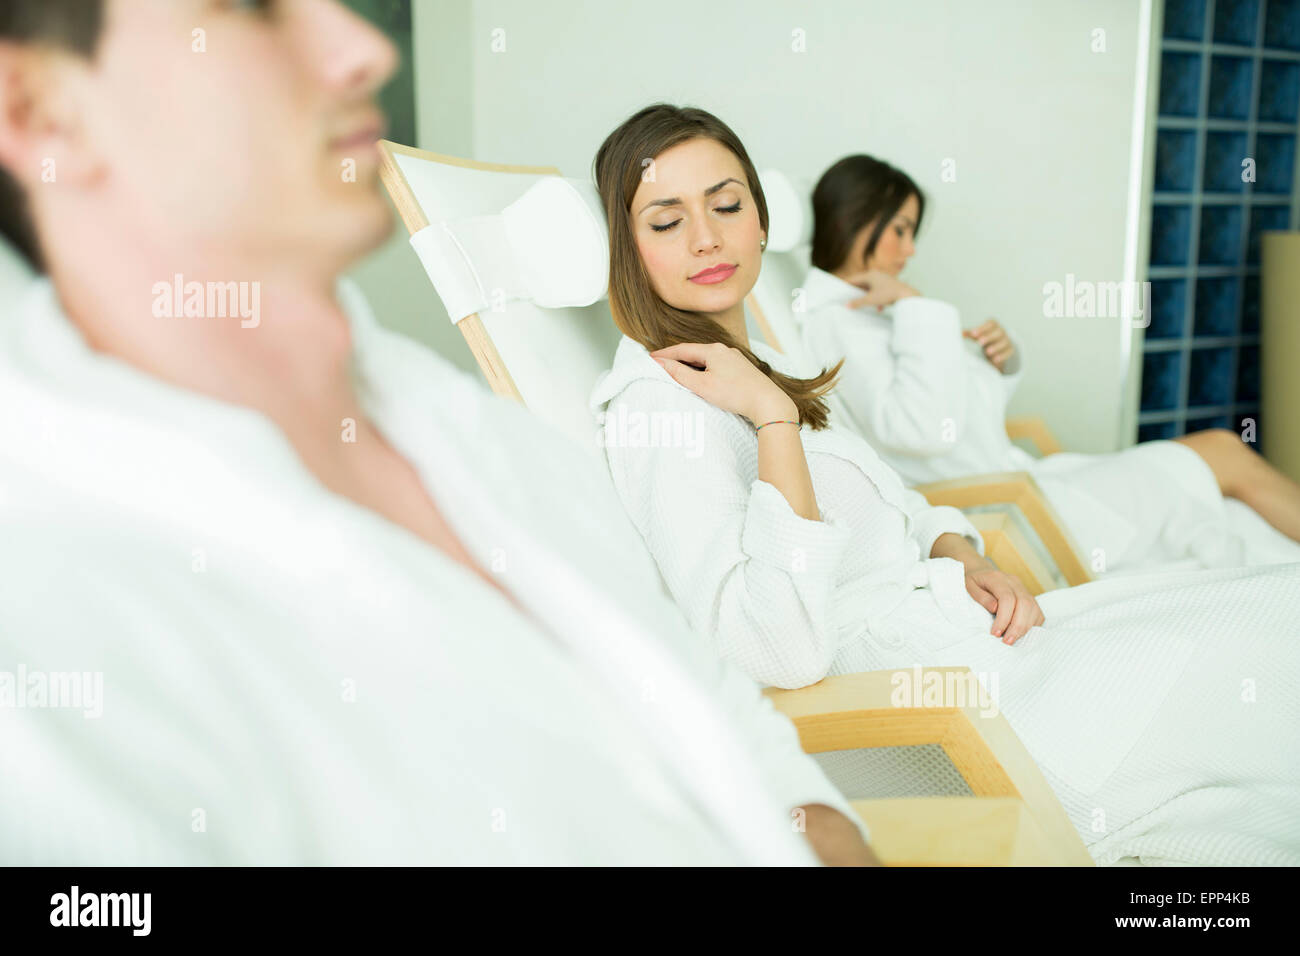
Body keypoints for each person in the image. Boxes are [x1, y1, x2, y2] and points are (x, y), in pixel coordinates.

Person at [0, 0, 876, 866]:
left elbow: (721, 714)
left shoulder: (489, 439)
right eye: (252, 8)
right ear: (40, 114)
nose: (365, 50)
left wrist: (819, 824)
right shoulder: (55, 654)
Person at [589, 103, 1300, 865]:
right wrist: (773, 425)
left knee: (1263, 611)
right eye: (666, 221)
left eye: (727, 206)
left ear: (759, 221)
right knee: (1267, 638)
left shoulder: (768, 361)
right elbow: (776, 648)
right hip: (953, 725)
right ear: (629, 248)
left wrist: (965, 553)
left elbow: (894, 495)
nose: (707, 237)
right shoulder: (660, 410)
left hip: (984, 645)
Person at [795, 153, 1300, 576]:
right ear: (855, 217)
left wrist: (999, 361)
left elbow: (956, 417)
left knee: (1234, 502)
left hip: (1020, 487)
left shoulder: (873, 312)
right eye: (900, 230)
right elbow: (925, 430)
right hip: (1004, 512)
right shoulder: (838, 323)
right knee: (1223, 454)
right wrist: (915, 307)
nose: (909, 249)